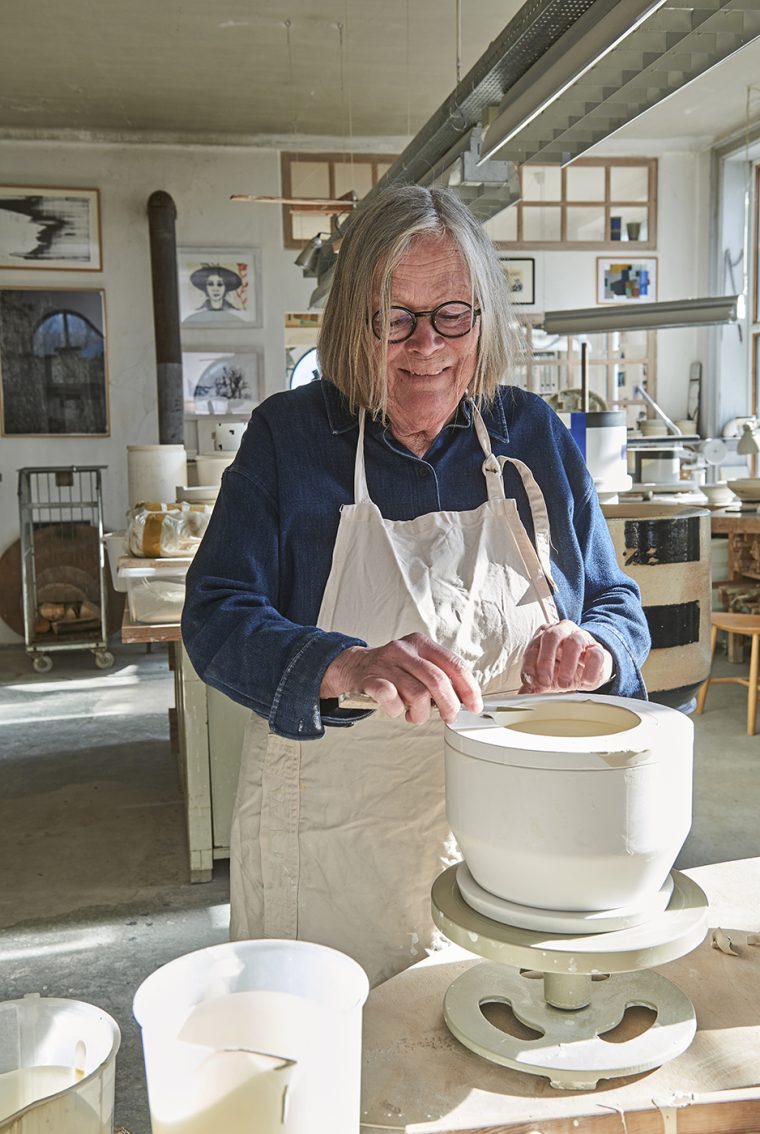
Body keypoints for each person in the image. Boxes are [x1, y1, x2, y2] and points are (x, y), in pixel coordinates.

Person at [181, 185, 650, 987]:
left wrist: (597, 649)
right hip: (335, 850)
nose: (424, 346)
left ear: (484, 319)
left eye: (451, 316)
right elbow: (216, 617)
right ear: (349, 324)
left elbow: (616, 603)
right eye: (391, 317)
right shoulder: (290, 439)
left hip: (519, 842)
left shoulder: (529, 432)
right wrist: (345, 667)